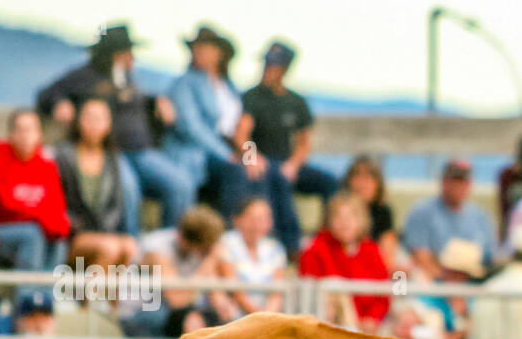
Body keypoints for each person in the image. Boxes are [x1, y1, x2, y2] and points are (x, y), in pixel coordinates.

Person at [37, 24, 192, 235]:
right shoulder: (85, 75)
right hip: (112, 151)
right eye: (127, 52)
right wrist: (59, 103)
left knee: (180, 184)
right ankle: (131, 250)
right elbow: (46, 94)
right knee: (128, 191)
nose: (132, 57)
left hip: (142, 150)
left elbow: (131, 102)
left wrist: (156, 102)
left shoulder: (127, 78)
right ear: (114, 54)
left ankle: (168, 244)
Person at [235, 41, 341, 258]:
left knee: (331, 183)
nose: (269, 69)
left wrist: (293, 164)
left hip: (287, 162)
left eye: (274, 65)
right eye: (267, 64)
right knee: (277, 179)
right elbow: (242, 134)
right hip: (263, 161)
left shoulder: (296, 102)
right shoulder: (252, 97)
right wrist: (252, 156)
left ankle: (327, 240)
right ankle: (287, 245)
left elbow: (304, 143)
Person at [162, 26, 250, 219]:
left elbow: (244, 129)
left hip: (233, 147)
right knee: (235, 171)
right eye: (196, 48)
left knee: (259, 172)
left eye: (205, 48)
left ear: (219, 53)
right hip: (198, 151)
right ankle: (230, 232)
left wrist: (249, 153)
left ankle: (261, 236)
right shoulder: (185, 83)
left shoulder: (229, 86)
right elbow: (191, 127)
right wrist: (226, 154)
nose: (198, 52)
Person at [0, 109, 70, 282]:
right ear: (11, 135)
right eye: (20, 130)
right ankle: (27, 300)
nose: (25, 135)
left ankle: (46, 301)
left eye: (30, 130)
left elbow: (57, 207)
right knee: (32, 233)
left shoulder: (47, 167)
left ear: (40, 134)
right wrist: (44, 221)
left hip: (35, 227)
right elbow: (7, 207)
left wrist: (53, 226)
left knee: (59, 241)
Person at [54, 97, 139, 269]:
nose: (93, 123)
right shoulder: (63, 156)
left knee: (129, 245)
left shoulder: (113, 159)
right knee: (109, 247)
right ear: (78, 121)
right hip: (73, 235)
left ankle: (100, 296)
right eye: (89, 117)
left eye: (99, 118)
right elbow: (56, 201)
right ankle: (93, 296)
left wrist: (107, 233)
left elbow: (116, 204)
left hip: (104, 232)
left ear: (108, 125)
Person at [134, 204, 238, 330]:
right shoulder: (156, 249)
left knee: (218, 320)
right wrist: (210, 262)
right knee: (191, 320)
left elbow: (215, 293)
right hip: (143, 310)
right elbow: (177, 300)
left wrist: (224, 307)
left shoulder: (202, 251)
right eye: (205, 249)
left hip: (178, 311)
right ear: (189, 243)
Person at [298, 191, 390, 331]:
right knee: (334, 288)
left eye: (351, 216)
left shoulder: (371, 250)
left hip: (370, 325)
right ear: (329, 220)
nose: (344, 222)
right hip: (331, 325)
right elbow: (311, 293)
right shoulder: (315, 249)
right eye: (338, 217)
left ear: (361, 220)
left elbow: (383, 294)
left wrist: (373, 318)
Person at [402, 159, 495, 280]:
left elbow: (489, 260)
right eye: (454, 181)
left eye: (463, 181)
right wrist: (450, 284)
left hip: (474, 284)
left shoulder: (481, 217)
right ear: (443, 181)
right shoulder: (422, 212)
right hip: (434, 285)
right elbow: (421, 257)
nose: (459, 186)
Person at [221, 196, 287, 313]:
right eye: (252, 218)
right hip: (234, 315)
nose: (257, 224)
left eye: (263, 219)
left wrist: (268, 315)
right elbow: (235, 290)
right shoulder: (226, 243)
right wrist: (257, 315)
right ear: (237, 219)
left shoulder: (275, 248)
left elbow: (277, 292)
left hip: (267, 316)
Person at [343, 155, 398, 267]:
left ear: (378, 184)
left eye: (369, 177)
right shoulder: (338, 210)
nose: (363, 183)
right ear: (348, 181)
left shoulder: (383, 212)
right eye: (357, 176)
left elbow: (387, 257)